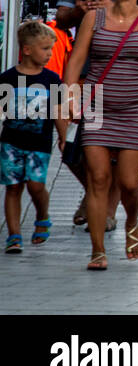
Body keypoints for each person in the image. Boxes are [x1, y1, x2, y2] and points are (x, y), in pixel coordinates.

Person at [63, 0, 138, 270]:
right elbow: (76, 59)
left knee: (129, 182)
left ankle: (132, 221)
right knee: (98, 179)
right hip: (96, 107)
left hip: (136, 109)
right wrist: (69, 96)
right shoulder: (93, 19)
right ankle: (98, 251)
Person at [2, 22, 68, 254]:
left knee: (36, 186)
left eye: (50, 49)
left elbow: (60, 111)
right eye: (45, 49)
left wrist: (63, 136)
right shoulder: (7, 79)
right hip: (10, 142)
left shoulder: (52, 80)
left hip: (39, 143)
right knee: (13, 187)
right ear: (27, 50)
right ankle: (14, 235)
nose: (50, 54)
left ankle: (42, 215)